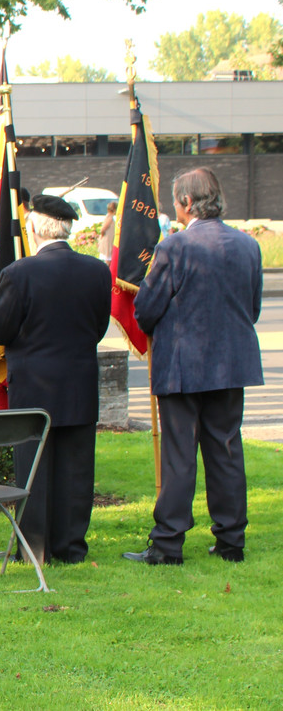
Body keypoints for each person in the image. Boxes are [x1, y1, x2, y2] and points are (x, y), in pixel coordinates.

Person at [124, 168, 261, 566]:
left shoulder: (175, 246)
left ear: (186, 202)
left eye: (176, 200)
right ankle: (231, 541)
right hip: (230, 364)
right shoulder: (248, 245)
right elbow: (251, 308)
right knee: (226, 451)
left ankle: (168, 544)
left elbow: (147, 308)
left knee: (180, 455)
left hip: (184, 366)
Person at [0, 194, 111, 565]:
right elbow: (99, 327)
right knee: (76, 470)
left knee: (33, 471)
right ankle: (70, 547)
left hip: (33, 386)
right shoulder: (97, 271)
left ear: (35, 229)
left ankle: (34, 547)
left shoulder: (19, 273)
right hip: (78, 383)